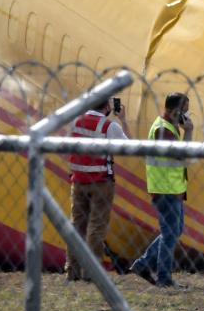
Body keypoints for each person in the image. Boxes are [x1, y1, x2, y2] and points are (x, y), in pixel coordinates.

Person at [129, 92, 193, 288]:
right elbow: (181, 156)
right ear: (175, 111)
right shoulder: (163, 130)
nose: (186, 116)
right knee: (169, 233)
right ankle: (164, 277)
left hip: (173, 188)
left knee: (175, 230)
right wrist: (189, 132)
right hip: (165, 189)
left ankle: (142, 264)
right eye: (184, 112)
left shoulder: (169, 127)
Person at [66, 95, 129, 281]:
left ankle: (72, 270)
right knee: (96, 227)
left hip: (78, 180)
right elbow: (129, 146)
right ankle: (91, 272)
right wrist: (123, 120)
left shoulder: (75, 121)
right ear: (107, 106)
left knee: (76, 226)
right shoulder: (109, 126)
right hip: (101, 182)